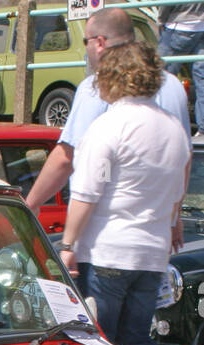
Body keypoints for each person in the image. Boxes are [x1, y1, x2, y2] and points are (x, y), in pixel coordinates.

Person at [55, 43, 191, 345]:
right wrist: (172, 222)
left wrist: (68, 245)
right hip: (152, 253)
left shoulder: (108, 126)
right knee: (138, 343)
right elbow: (177, 190)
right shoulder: (174, 129)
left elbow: (88, 192)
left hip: (108, 250)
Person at [25, 8, 190, 241]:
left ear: (100, 42)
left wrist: (30, 204)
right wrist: (175, 216)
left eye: (86, 42)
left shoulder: (96, 87)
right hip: (156, 234)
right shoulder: (172, 85)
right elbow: (184, 161)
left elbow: (67, 158)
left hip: (106, 234)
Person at [159, 2, 204, 136]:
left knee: (161, 77)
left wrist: (161, 19)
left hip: (179, 24)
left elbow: (165, 5)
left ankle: (159, 122)